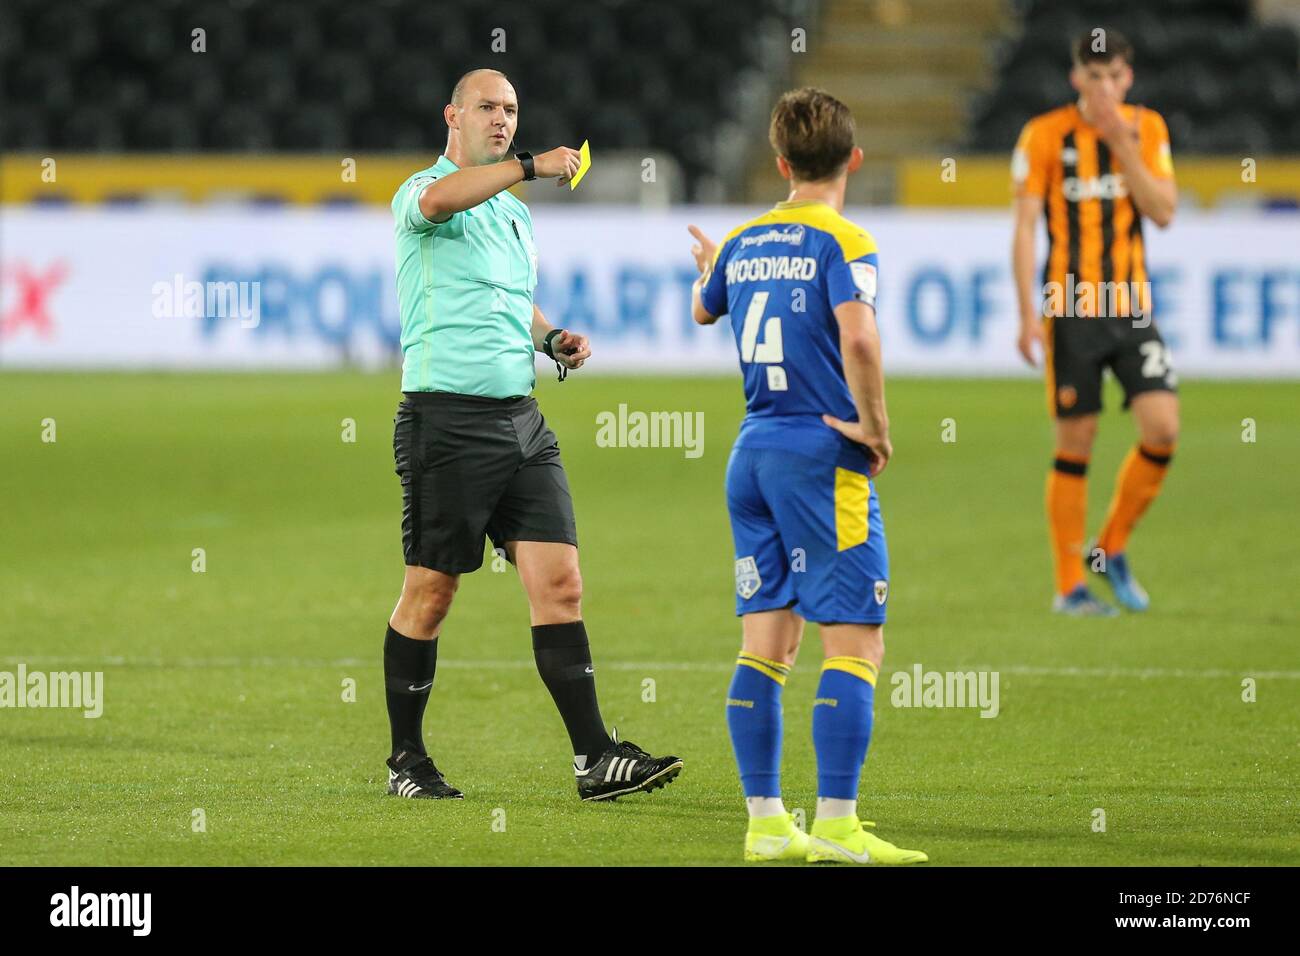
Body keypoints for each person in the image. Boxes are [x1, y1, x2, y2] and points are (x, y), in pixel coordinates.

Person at [383, 68, 682, 801]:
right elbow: (437, 200)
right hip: (443, 422)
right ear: (451, 113)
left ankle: (594, 758)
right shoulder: (426, 189)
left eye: (512, 110)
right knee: (432, 593)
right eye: (488, 107)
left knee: (561, 582)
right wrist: (529, 166)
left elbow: (513, 302)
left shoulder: (513, 214)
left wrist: (552, 340)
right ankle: (406, 763)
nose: (502, 119)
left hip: (520, 422)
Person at [687, 88, 927, 864]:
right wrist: (876, 426)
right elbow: (859, 337)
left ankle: (765, 823)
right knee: (854, 644)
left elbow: (704, 309)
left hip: (750, 454)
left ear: (781, 161)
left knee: (767, 642)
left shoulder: (744, 238)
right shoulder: (847, 240)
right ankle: (835, 822)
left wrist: (706, 272)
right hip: (820, 458)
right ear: (853, 159)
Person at [1012, 30, 1180, 616]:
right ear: (1076, 78)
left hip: (1131, 307)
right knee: (1075, 442)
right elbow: (1026, 226)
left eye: (1115, 76)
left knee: (1162, 429)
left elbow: (1162, 213)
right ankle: (1068, 587)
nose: (1105, 86)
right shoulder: (1043, 135)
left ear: (1127, 78)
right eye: (1094, 75)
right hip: (1072, 308)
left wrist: (1119, 141)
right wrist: (1027, 312)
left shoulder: (1148, 128)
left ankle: (1109, 549)